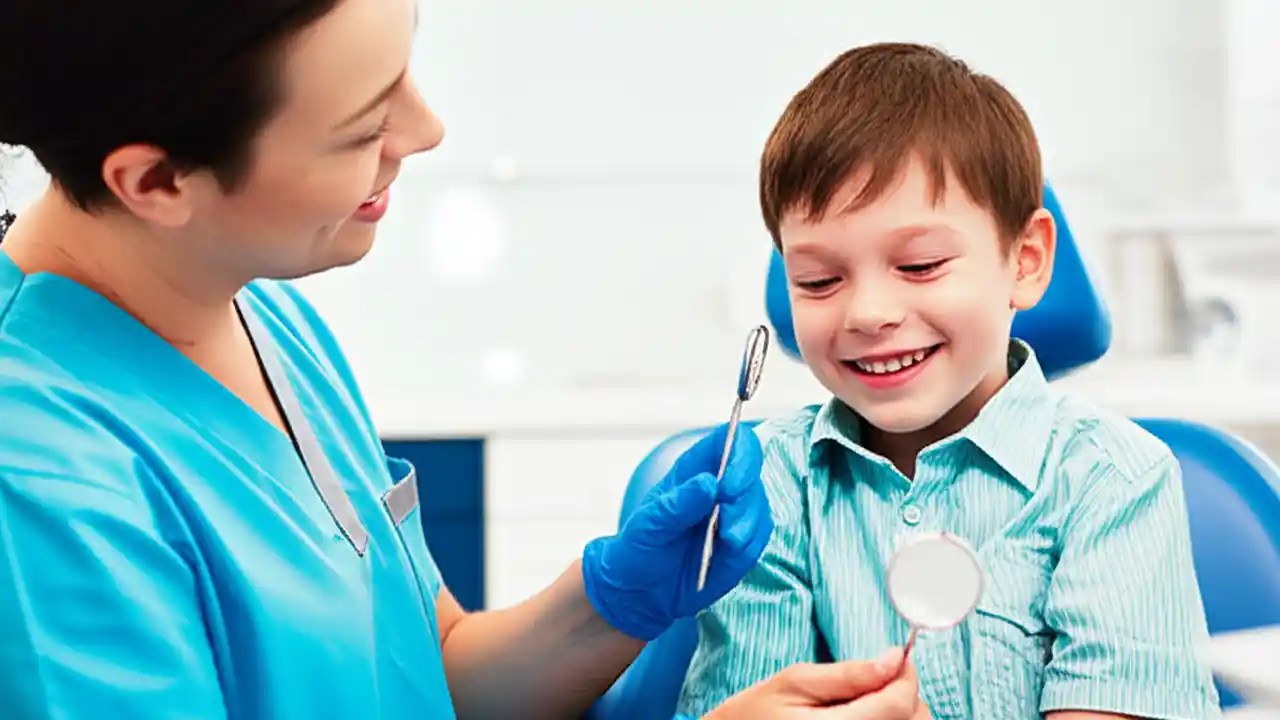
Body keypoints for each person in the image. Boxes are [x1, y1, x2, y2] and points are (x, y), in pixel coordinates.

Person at [0, 1, 928, 718]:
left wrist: (606, 602)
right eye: (364, 126)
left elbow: (424, 673)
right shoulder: (41, 488)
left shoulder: (264, 319)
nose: (426, 128)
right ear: (157, 182)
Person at [677, 42, 1222, 720]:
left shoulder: (1113, 482)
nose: (869, 313)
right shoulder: (773, 488)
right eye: (818, 281)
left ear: (1024, 261)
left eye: (922, 265)